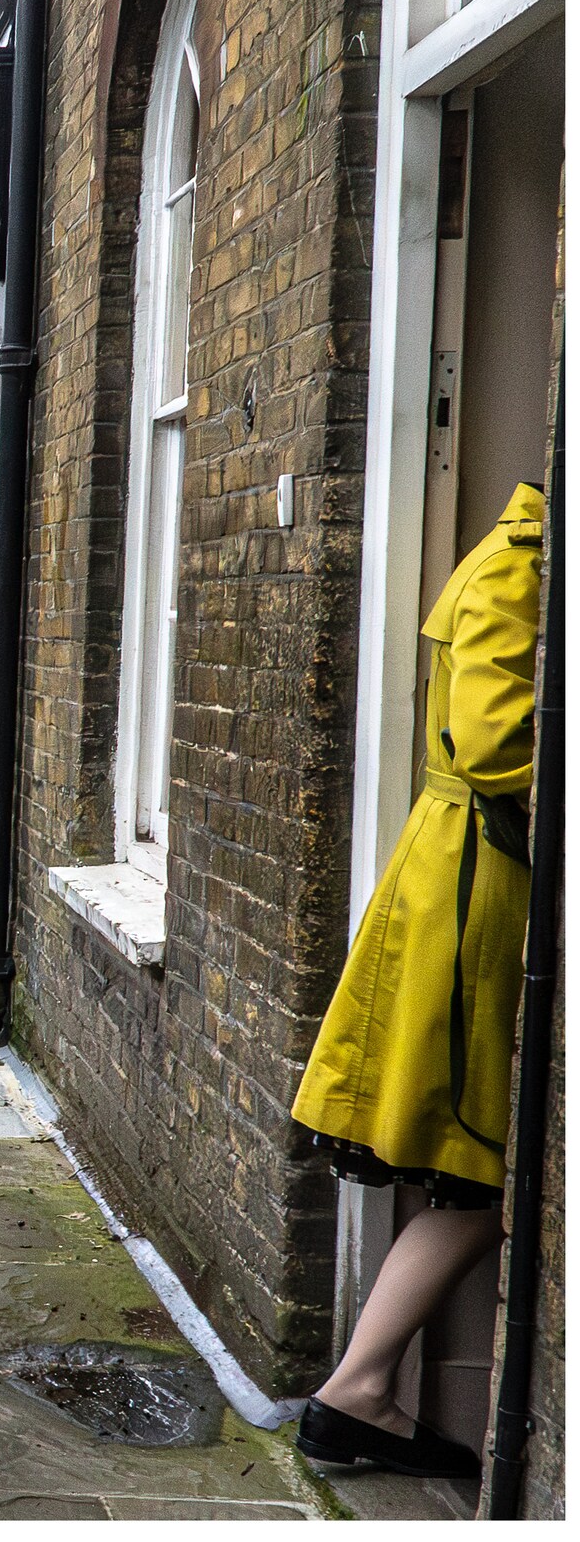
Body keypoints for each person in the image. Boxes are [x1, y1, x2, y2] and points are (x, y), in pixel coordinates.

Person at [291, 481, 545, 1480]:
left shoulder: (513, 556)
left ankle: (360, 1393)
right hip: (475, 888)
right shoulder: (523, 566)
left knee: (472, 1158)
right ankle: (355, 1391)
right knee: (482, 1160)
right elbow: (491, 745)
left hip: (462, 876)